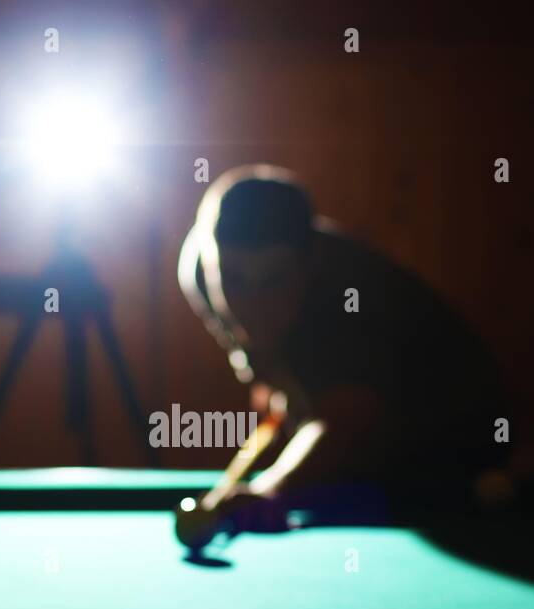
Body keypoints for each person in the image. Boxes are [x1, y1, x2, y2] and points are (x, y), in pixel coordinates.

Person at [176, 164, 508, 540]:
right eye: (234, 281)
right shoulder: (200, 273)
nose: (253, 305)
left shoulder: (352, 294)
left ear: (309, 266)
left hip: (453, 436)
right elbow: (259, 356)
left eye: (274, 281)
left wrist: (271, 488)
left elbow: (346, 418)